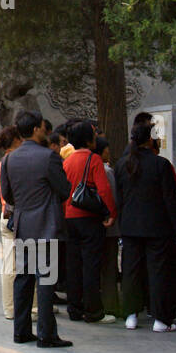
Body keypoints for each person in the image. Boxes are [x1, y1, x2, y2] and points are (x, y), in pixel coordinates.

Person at [0, 111, 72, 347]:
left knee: (23, 278)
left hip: (22, 224)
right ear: (34, 129)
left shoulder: (10, 159)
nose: (45, 130)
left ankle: (21, 331)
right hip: (46, 224)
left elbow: (8, 194)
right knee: (45, 280)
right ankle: (46, 334)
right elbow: (63, 189)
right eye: (43, 126)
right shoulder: (48, 157)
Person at [116, 121, 176, 332]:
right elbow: (170, 199)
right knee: (158, 272)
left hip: (129, 225)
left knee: (131, 270)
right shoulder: (160, 164)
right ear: (150, 139)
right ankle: (160, 318)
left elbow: (118, 198)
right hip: (157, 226)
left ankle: (130, 314)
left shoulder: (122, 165)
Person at [61, 120, 117, 323]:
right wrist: (110, 213)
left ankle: (74, 308)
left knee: (73, 264)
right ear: (88, 139)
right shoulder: (93, 160)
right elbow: (103, 189)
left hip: (69, 217)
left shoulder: (66, 161)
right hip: (89, 218)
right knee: (91, 265)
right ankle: (93, 310)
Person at [0, 126, 22, 319]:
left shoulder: (4, 162)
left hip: (8, 216)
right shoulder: (11, 162)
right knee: (13, 265)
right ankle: (12, 307)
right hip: (13, 217)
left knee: (11, 264)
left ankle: (11, 307)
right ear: (15, 141)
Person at [96, 137, 122, 318]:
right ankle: (110, 304)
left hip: (91, 224)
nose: (109, 153)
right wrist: (113, 215)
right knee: (109, 266)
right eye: (106, 149)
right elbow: (111, 195)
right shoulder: (106, 171)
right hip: (108, 224)